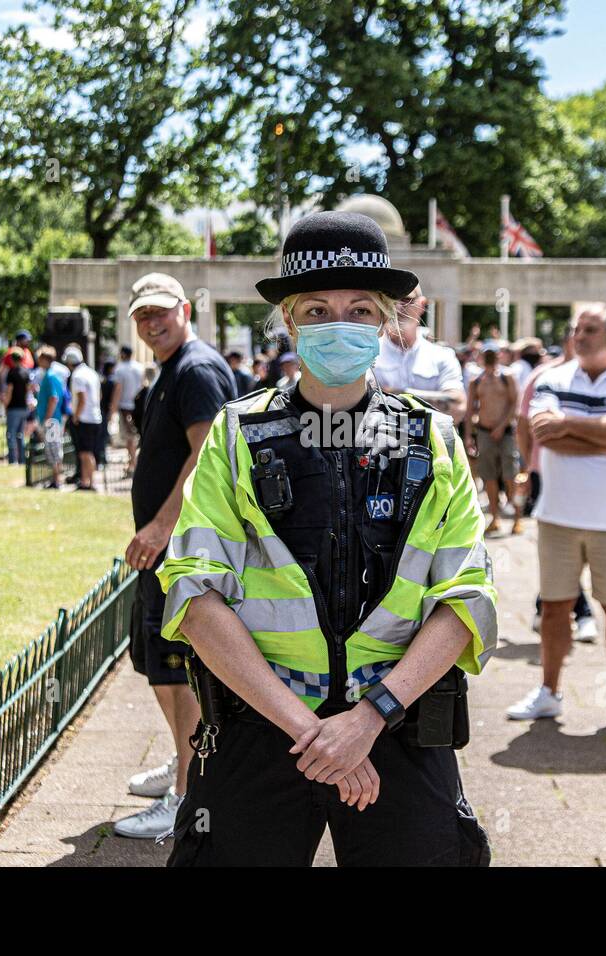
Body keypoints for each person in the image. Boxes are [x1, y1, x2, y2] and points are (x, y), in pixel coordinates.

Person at [157, 210, 495, 866]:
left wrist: (366, 720)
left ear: (388, 322)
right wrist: (317, 734)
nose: (338, 324)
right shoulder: (236, 436)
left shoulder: (433, 441)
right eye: (316, 309)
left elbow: (465, 599)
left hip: (397, 726)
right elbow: (195, 598)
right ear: (288, 321)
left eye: (360, 309)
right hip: (263, 722)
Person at [116, 272, 236, 839]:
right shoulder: (175, 369)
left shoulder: (197, 369)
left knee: (179, 669)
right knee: (161, 667)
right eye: (141, 316)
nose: (151, 322)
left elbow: (207, 455)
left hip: (182, 549)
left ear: (185, 310)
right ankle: (184, 760)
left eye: (160, 312)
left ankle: (189, 793)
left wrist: (162, 526)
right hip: (168, 548)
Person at [507, 302, 606, 730]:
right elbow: (543, 435)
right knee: (554, 609)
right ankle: (550, 692)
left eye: (589, 329)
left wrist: (570, 426)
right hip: (559, 515)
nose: (579, 335)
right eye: (576, 328)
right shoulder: (552, 378)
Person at [517, 353, 598, 643]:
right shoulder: (543, 376)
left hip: (586, 475)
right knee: (561, 548)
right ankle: (583, 612)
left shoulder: (603, 378)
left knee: (576, 549)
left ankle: (547, 604)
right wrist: (528, 466)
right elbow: (524, 424)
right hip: (545, 473)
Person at [374, 286, 466, 422]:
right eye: (391, 301)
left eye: (406, 300)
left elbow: (457, 408)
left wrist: (390, 393)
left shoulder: (442, 356)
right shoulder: (369, 354)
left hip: (428, 442)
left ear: (422, 304)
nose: (398, 307)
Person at [467, 345, 521, 535]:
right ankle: (495, 517)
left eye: (492, 354)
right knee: (488, 476)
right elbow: (469, 409)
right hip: (484, 432)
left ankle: (516, 518)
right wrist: (468, 435)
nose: (489, 358)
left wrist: (501, 426)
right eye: (487, 354)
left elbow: (515, 404)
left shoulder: (507, 378)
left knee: (510, 476)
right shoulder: (477, 380)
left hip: (505, 433)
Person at [63, 345, 101, 491]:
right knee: (86, 453)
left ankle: (90, 483)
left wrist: (76, 417)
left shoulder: (78, 376)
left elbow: (82, 399)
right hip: (95, 417)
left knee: (86, 453)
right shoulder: (91, 373)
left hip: (85, 419)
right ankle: (85, 481)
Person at [33, 346, 69, 489]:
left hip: (52, 420)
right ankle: (56, 479)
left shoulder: (50, 376)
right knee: (53, 448)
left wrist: (47, 418)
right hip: (52, 419)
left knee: (53, 449)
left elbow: (53, 398)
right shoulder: (51, 375)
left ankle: (56, 480)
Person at [111, 345, 144, 477]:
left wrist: (113, 408)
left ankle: (133, 464)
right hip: (140, 405)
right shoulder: (140, 367)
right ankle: (134, 463)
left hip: (126, 406)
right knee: (137, 435)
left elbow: (118, 389)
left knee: (129, 437)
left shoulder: (120, 369)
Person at [2, 347, 31, 466]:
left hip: (13, 407)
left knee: (11, 434)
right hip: (24, 407)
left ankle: (13, 460)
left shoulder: (11, 373)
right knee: (20, 435)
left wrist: (5, 404)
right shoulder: (26, 372)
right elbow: (28, 390)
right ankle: (22, 460)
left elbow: (9, 390)